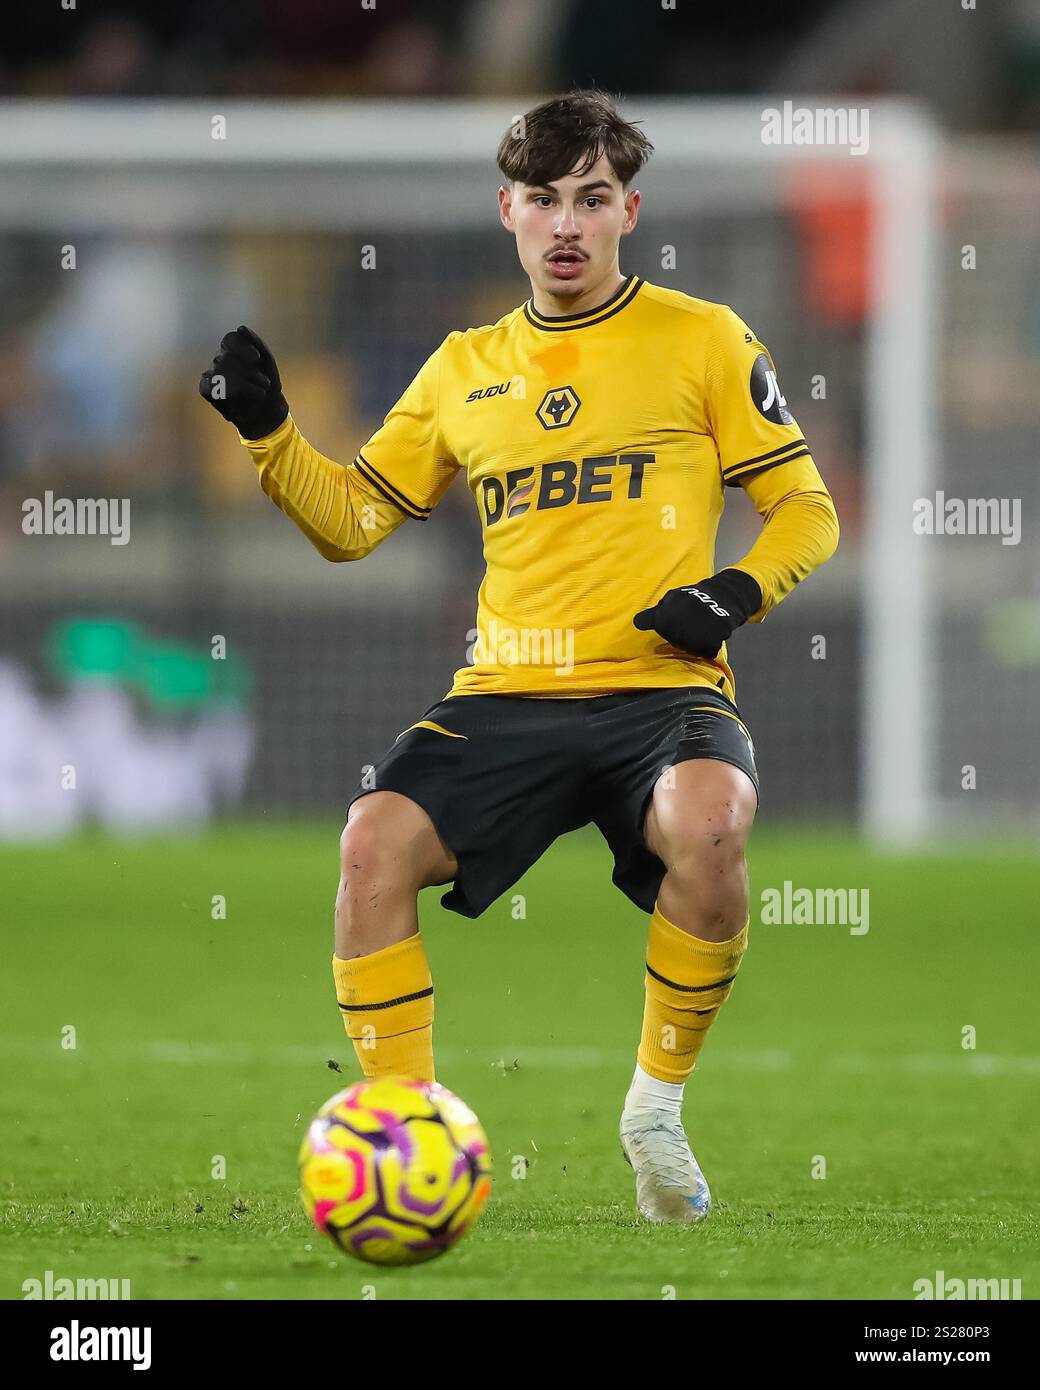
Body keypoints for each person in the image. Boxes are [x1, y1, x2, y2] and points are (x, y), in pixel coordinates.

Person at [199, 89, 839, 1224]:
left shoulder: (703, 338)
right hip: (505, 692)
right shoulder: (462, 368)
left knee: (711, 817)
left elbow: (804, 508)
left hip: (660, 688)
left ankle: (652, 1109)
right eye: (542, 198)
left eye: (590, 199)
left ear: (627, 212)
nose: (565, 224)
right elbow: (351, 523)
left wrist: (731, 591)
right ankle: (408, 1140)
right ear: (506, 210)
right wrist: (269, 435)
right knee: (368, 847)